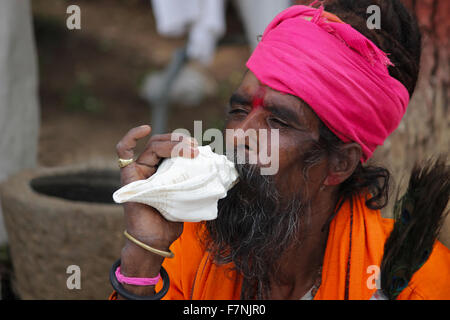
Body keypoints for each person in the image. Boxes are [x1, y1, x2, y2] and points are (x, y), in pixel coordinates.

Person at [111, 1, 449, 300]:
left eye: (277, 121)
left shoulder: (414, 284)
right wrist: (144, 252)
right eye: (240, 111)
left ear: (340, 163)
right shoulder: (192, 246)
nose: (239, 135)